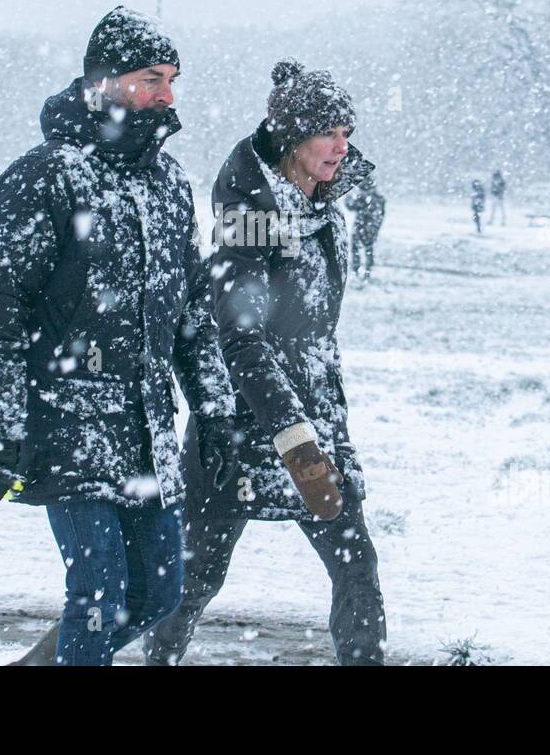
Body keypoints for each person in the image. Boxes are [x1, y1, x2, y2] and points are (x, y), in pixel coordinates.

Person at [0, 6, 238, 666]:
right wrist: (0, 430)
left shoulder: (169, 185)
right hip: (67, 417)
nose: (167, 94)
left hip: (147, 427)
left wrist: (216, 407)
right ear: (104, 81)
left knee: (158, 592)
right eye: (152, 78)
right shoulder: (44, 176)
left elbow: (192, 312)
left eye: (172, 79)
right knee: (100, 594)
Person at [144, 59, 387, 667]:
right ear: (292, 142)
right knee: (194, 579)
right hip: (242, 425)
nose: (342, 146)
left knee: (357, 569)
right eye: (327, 133)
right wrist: (293, 434)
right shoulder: (250, 215)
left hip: (313, 419)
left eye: (346, 132)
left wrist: (322, 423)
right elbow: (242, 338)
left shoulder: (316, 210)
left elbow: (311, 337)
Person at [346, 177, 386, 282]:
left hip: (366, 227)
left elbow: (352, 206)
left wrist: (350, 198)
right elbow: (351, 206)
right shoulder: (374, 198)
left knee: (364, 249)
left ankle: (364, 272)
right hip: (363, 226)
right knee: (362, 249)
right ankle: (361, 271)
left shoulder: (371, 199)